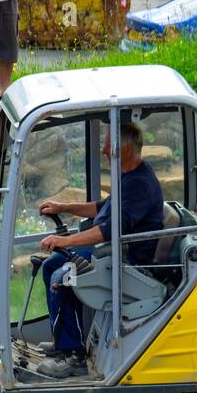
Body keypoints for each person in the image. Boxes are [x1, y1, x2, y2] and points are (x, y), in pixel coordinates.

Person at [34, 122, 165, 378]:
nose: (104, 150)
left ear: (123, 148)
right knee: (52, 266)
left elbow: (109, 230)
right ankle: (63, 339)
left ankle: (73, 357)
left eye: (107, 145)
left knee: (62, 276)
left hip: (126, 259)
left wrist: (65, 241)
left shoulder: (140, 184)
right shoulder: (129, 175)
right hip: (109, 251)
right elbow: (101, 208)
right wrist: (63, 207)